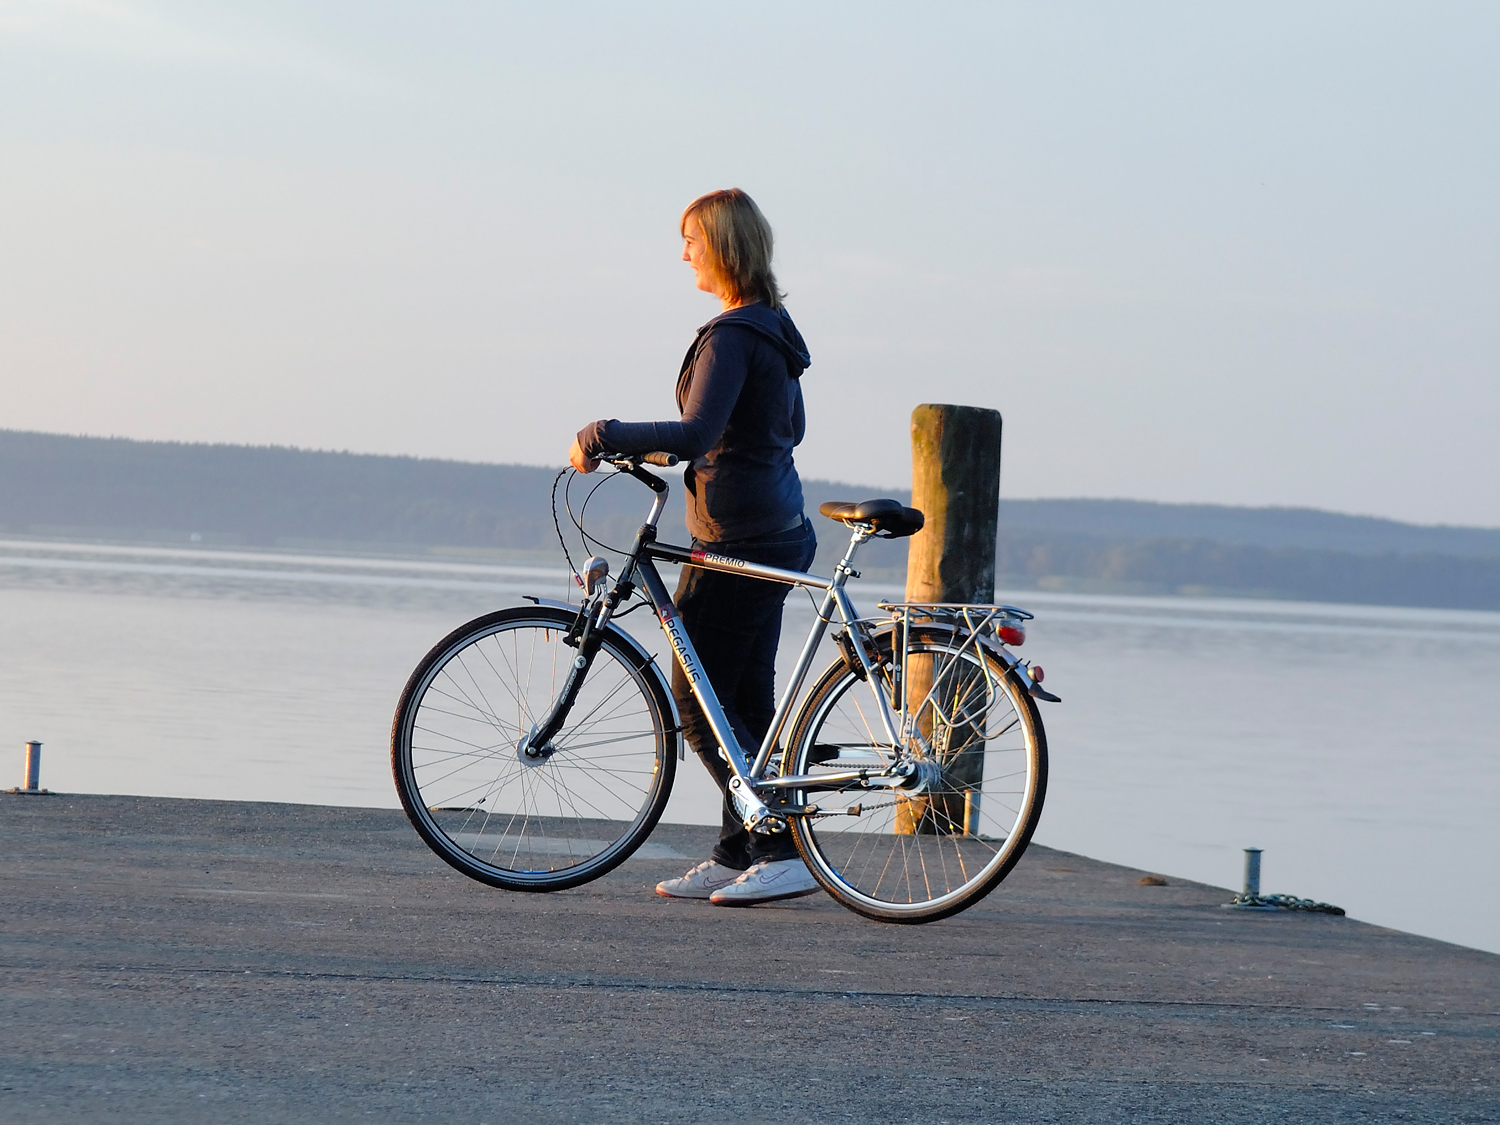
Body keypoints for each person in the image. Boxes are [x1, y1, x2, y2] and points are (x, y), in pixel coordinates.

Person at [569, 189, 819, 906]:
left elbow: (697, 432)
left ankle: (781, 845)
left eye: (689, 240)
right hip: (777, 527)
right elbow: (789, 430)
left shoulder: (734, 335)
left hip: (739, 537)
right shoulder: (776, 329)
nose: (682, 253)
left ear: (720, 246)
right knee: (738, 696)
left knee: (695, 700)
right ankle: (740, 848)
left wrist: (603, 434)